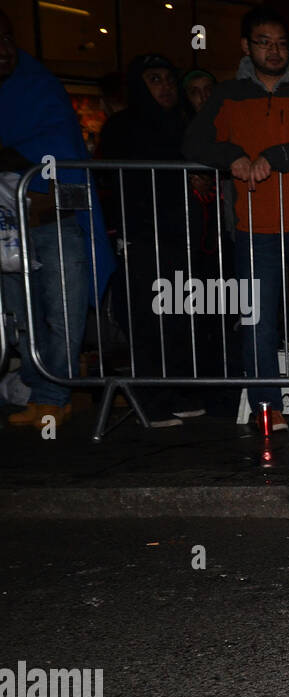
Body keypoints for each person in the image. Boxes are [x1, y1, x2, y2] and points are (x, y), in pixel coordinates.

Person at [183, 5, 289, 433]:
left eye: (281, 43)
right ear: (245, 46)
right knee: (258, 321)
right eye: (264, 42)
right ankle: (266, 408)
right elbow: (194, 140)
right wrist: (230, 156)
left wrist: (275, 157)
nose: (274, 51)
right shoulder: (228, 94)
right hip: (253, 228)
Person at [0, 9, 114, 427]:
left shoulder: (39, 87)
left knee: (62, 313)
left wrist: (13, 155)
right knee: (22, 311)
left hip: (56, 219)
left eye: (9, 39)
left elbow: (59, 153)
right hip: (11, 227)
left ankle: (55, 395)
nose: (4, 50)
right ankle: (37, 390)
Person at [99, 53, 217, 426]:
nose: (165, 87)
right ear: (139, 85)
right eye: (154, 79)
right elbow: (116, 181)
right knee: (150, 318)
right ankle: (151, 398)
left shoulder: (183, 123)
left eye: (168, 79)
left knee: (180, 316)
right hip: (143, 236)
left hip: (181, 236)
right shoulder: (122, 126)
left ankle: (178, 389)